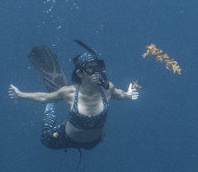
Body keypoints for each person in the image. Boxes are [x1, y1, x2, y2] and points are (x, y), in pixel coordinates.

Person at [8, 40, 138, 152]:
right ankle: (51, 105)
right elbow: (44, 98)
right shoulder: (69, 92)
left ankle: (56, 95)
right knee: (45, 138)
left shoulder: (107, 89)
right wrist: (20, 95)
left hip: (92, 143)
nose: (95, 72)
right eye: (90, 68)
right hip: (65, 138)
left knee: (89, 142)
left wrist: (128, 95)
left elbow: (119, 95)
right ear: (80, 73)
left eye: (97, 68)